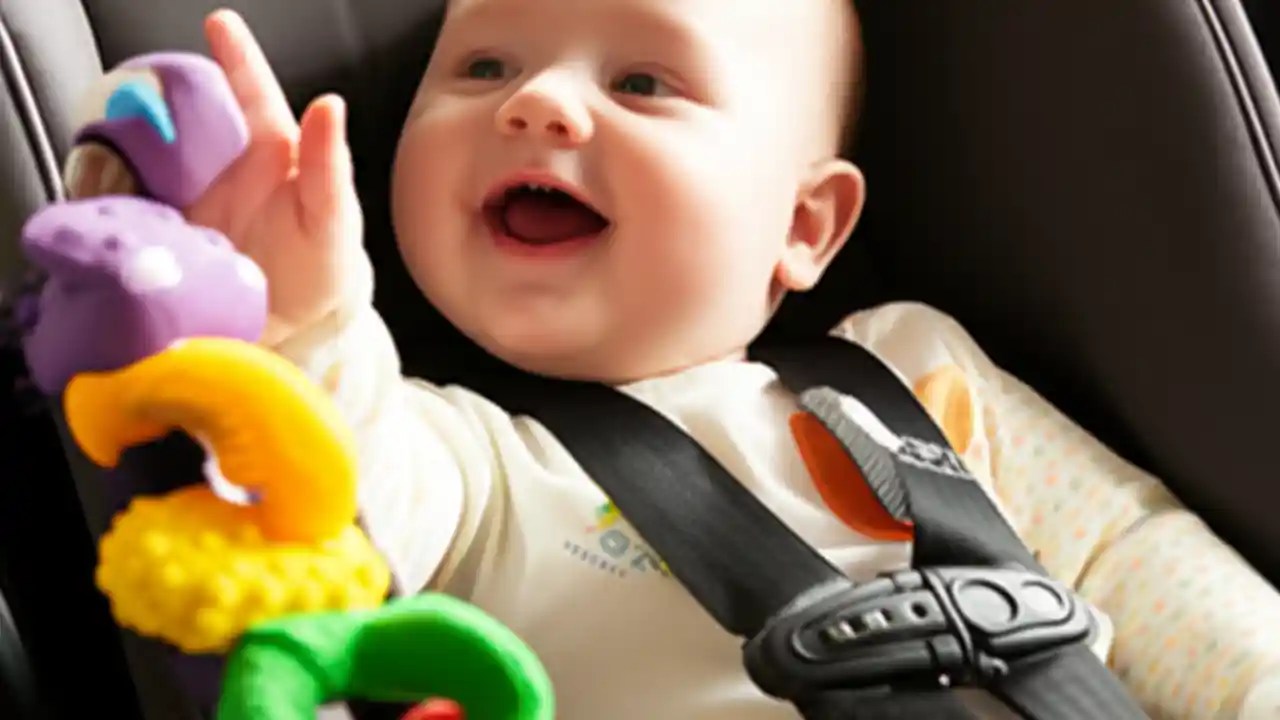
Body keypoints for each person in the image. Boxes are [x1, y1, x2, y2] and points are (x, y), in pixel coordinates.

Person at [185, 1, 1280, 717]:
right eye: (480, 65)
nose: (534, 102)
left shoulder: (914, 371)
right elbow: (337, 492)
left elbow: (1134, 562)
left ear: (804, 224)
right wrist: (307, 316)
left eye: (643, 84)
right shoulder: (456, 456)